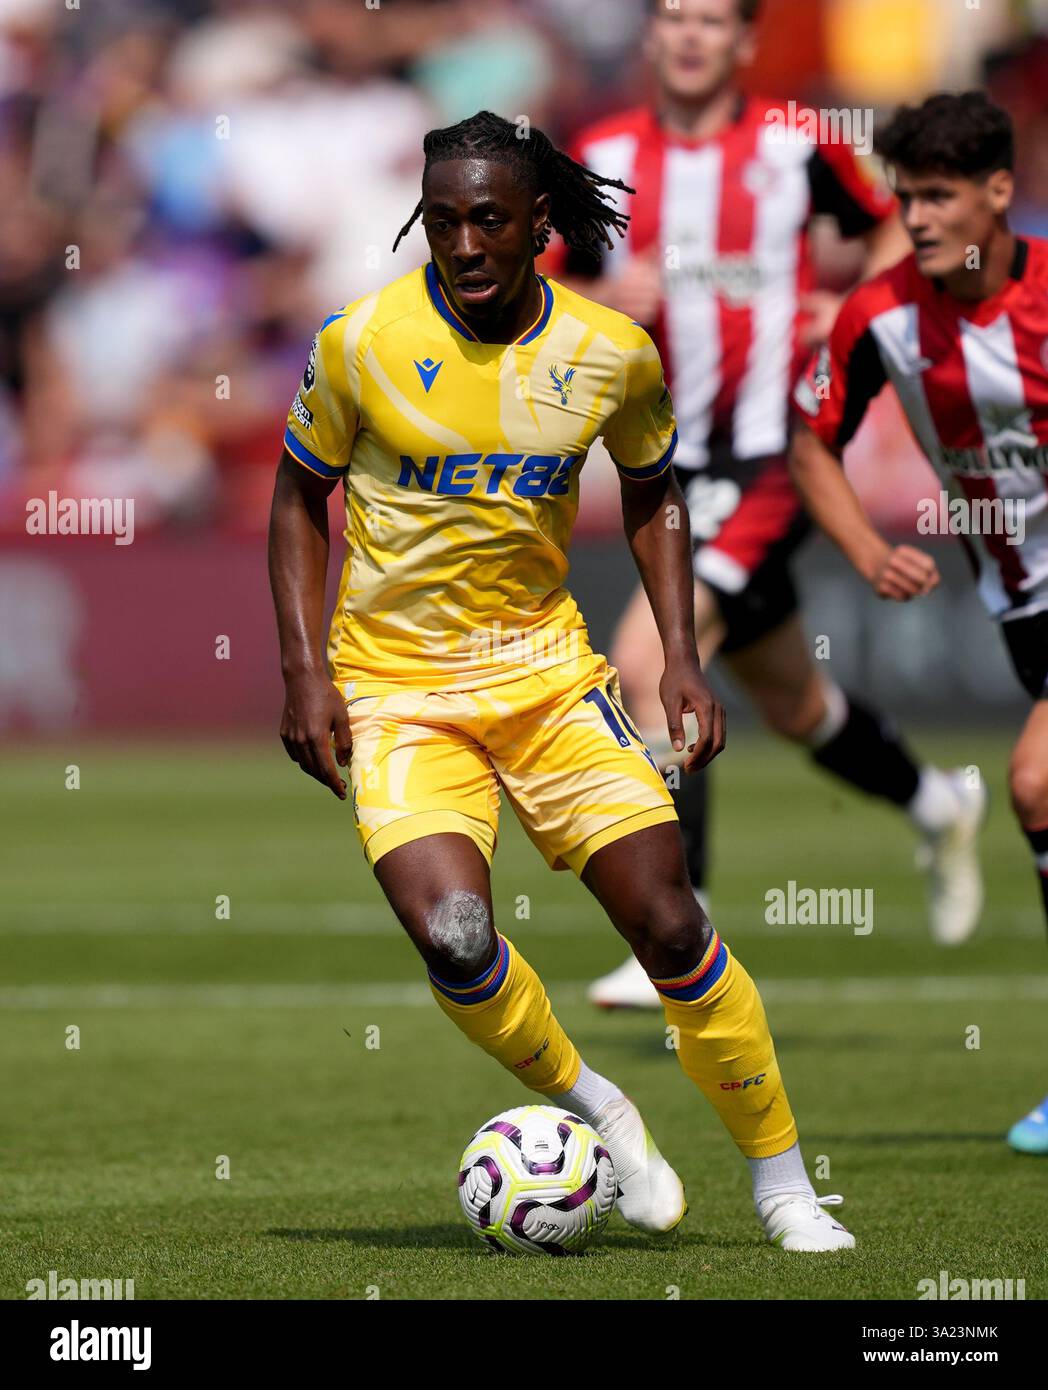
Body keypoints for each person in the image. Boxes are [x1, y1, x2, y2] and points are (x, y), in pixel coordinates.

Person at [268, 109, 855, 1247]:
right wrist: (303, 672)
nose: (465, 244)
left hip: (546, 677)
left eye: (490, 219)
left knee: (671, 924)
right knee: (453, 932)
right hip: (396, 688)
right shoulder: (358, 343)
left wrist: (680, 653)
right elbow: (299, 496)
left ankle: (785, 1185)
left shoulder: (609, 351)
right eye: (442, 222)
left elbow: (653, 489)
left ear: (541, 223)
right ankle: (602, 1108)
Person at [557, 0, 984, 1009]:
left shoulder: (800, 145)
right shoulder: (602, 152)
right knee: (793, 701)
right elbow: (545, 285)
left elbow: (891, 228)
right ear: (652, 37)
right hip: (666, 463)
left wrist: (857, 306)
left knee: (651, 659)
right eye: (674, 17)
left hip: (777, 452)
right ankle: (936, 800)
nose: (692, 34)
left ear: (745, 42)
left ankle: (679, 928)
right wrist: (600, 301)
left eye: (713, 19)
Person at [788, 91, 1048, 1157]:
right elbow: (811, 443)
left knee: (1034, 779)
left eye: (938, 196)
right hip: (1020, 603)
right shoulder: (877, 315)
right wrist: (860, 547)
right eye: (905, 197)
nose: (919, 217)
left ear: (998, 192)